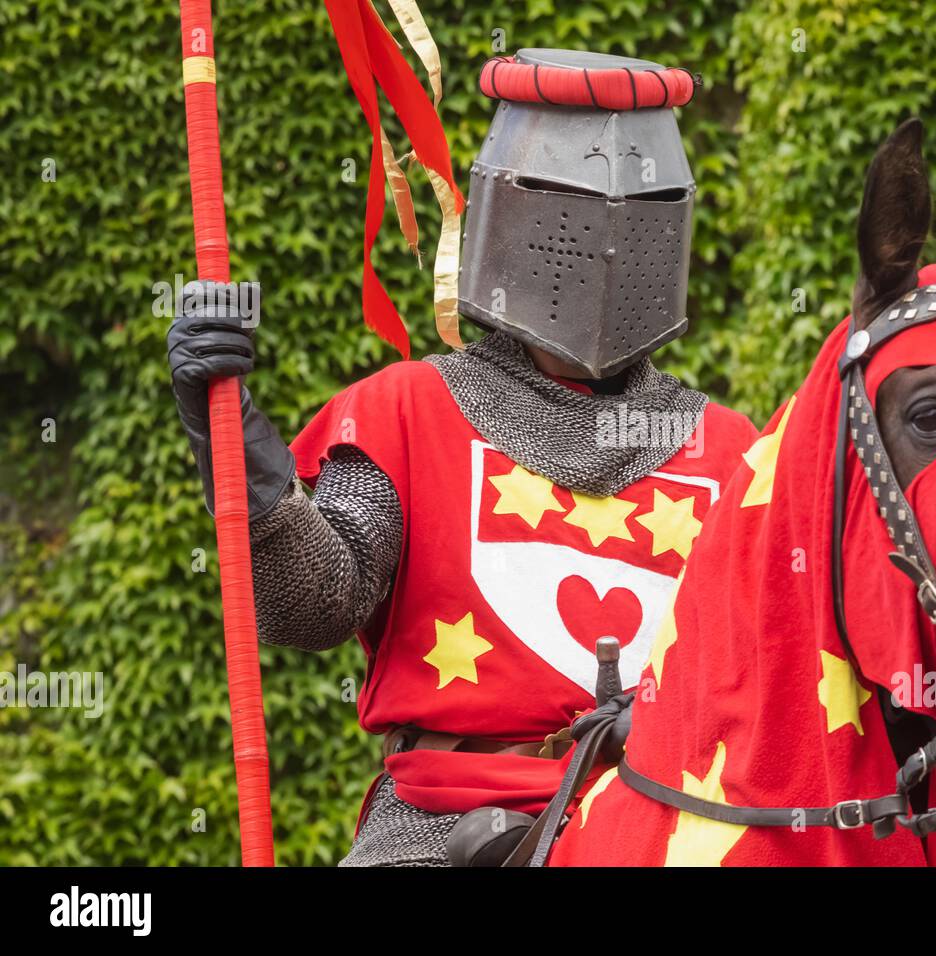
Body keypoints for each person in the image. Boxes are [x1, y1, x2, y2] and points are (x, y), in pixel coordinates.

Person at [166, 48, 758, 866]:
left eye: (642, 204)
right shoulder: (408, 410)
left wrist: (675, 714)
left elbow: (775, 667)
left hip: (674, 823)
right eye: (570, 203)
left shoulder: (730, 451)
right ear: (513, 215)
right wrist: (238, 447)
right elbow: (314, 608)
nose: (608, 241)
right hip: (448, 829)